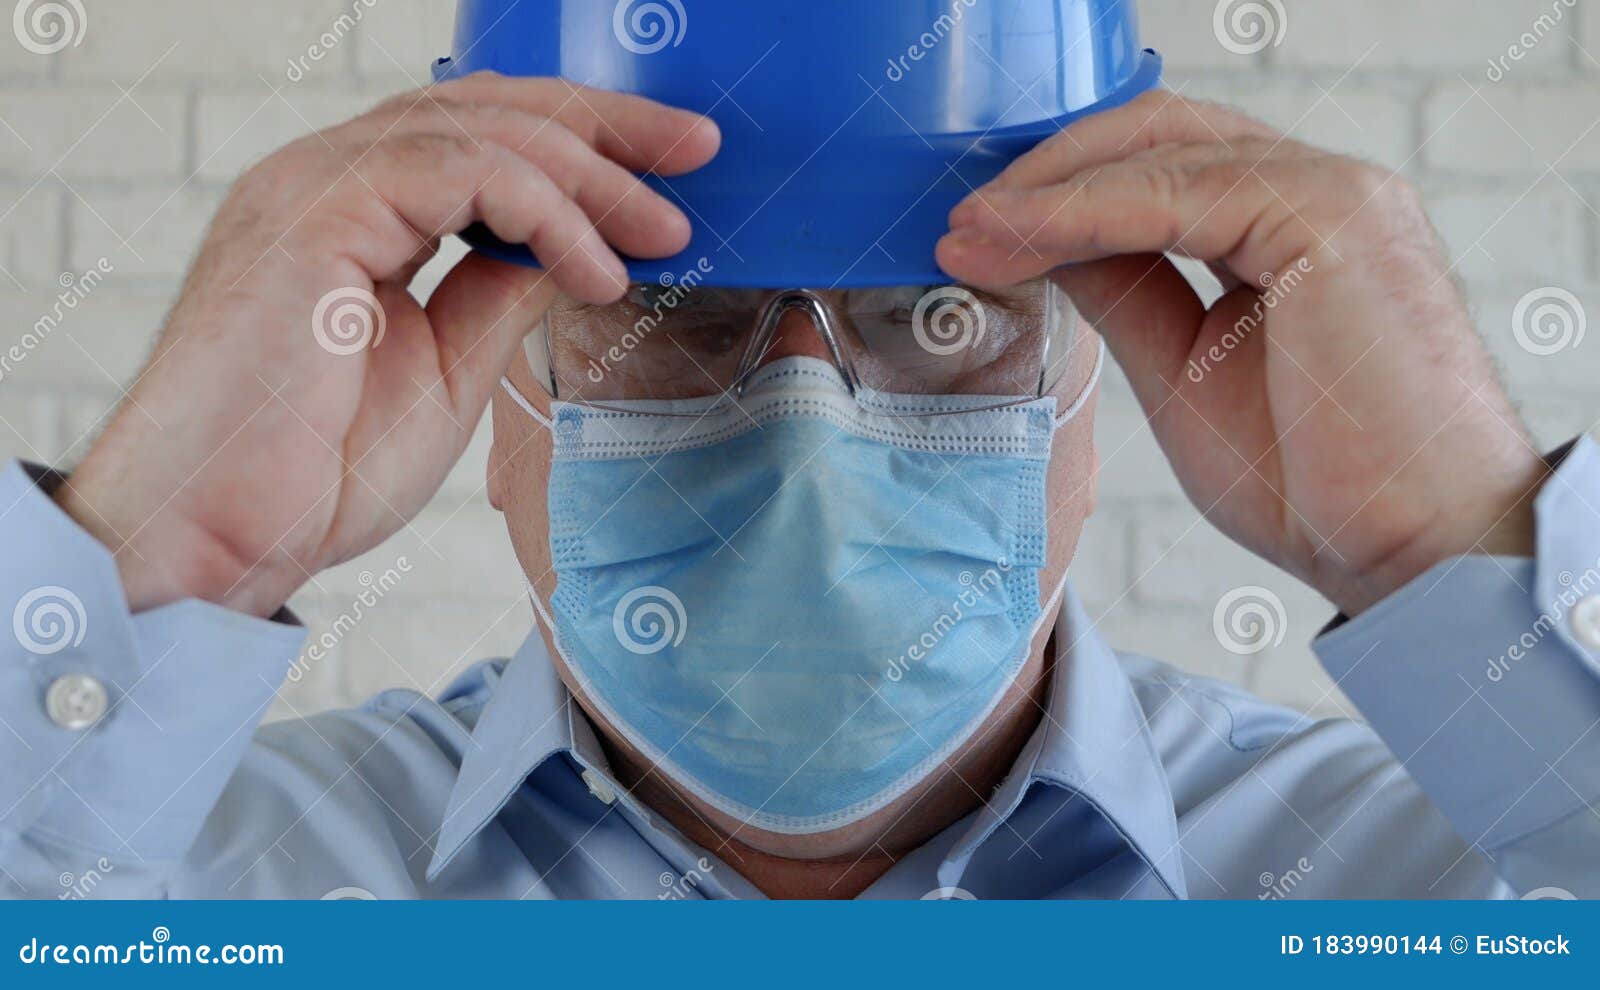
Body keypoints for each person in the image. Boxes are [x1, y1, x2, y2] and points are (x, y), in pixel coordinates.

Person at [1, 68, 1595, 900]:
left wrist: (1443, 539)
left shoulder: (1436, 879)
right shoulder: (185, 883)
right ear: (499, 405)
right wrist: (170, 550)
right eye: (673, 315)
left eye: (943, 317)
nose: (811, 434)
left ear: (1095, 395)